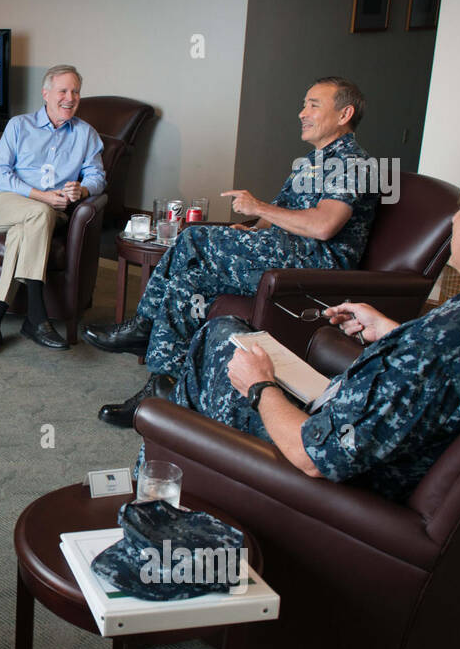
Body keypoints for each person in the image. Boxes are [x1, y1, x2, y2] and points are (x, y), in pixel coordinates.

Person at [133, 145, 460, 502]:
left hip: (331, 478)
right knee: (233, 327)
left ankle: (155, 487)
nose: (454, 220)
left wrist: (260, 388)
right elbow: (438, 376)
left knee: (221, 339)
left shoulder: (449, 341)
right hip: (363, 430)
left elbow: (313, 455)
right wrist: (393, 332)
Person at [90, 76, 376, 425]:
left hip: (316, 267)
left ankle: (145, 325)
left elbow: (323, 226)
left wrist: (258, 207)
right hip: (286, 251)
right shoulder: (312, 162)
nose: (302, 113)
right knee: (188, 282)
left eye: (313, 105)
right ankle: (161, 389)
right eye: (304, 104)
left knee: (193, 239)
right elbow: (283, 215)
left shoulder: (352, 162)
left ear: (345, 113)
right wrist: (253, 228)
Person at [0, 64, 107, 361]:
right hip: (7, 202)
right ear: (46, 94)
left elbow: (98, 177)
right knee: (39, 213)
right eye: (63, 91)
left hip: (51, 213)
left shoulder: (86, 134)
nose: (70, 97)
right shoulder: (20, 125)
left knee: (25, 230)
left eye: (76, 91)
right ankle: (36, 316)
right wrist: (41, 196)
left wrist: (80, 190)